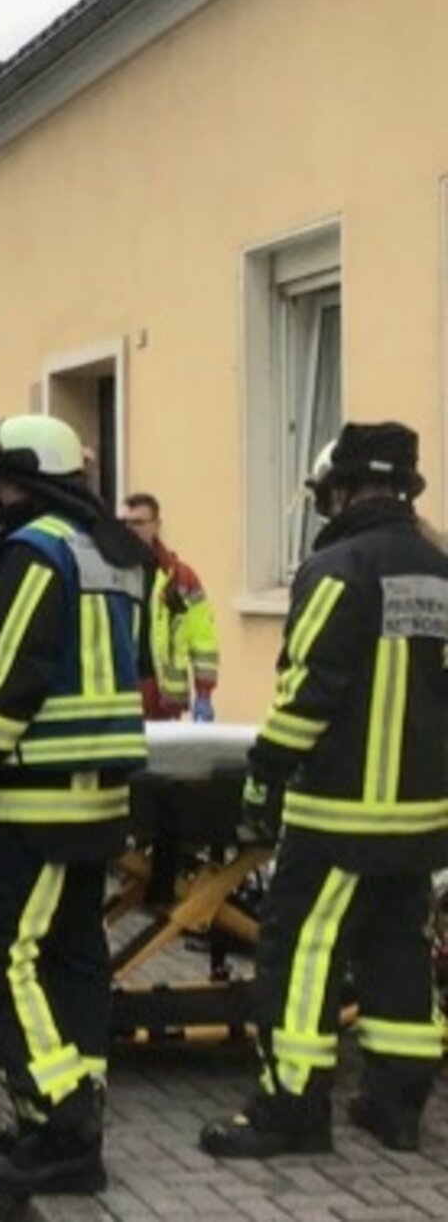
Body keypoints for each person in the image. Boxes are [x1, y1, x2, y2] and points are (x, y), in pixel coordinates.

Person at [200, 422, 448, 1159]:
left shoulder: (338, 568)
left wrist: (264, 775)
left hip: (338, 813)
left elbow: (309, 690)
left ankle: (291, 1111)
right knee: (400, 951)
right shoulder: (440, 569)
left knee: (301, 952)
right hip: (422, 816)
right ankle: (396, 1107)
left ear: (338, 490)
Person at [0, 416, 149, 1197]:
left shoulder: (36, 552)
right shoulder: (110, 553)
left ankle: (58, 1120)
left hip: (33, 795)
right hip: (100, 791)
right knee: (72, 951)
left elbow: (15, 672)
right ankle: (73, 1108)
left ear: (26, 479)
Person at [117, 492, 221, 722]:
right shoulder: (107, 571)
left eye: (138, 522)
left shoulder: (180, 578)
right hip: (117, 693)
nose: (129, 528)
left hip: (160, 697)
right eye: (123, 522)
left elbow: (203, 639)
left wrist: (204, 694)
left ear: (156, 525)